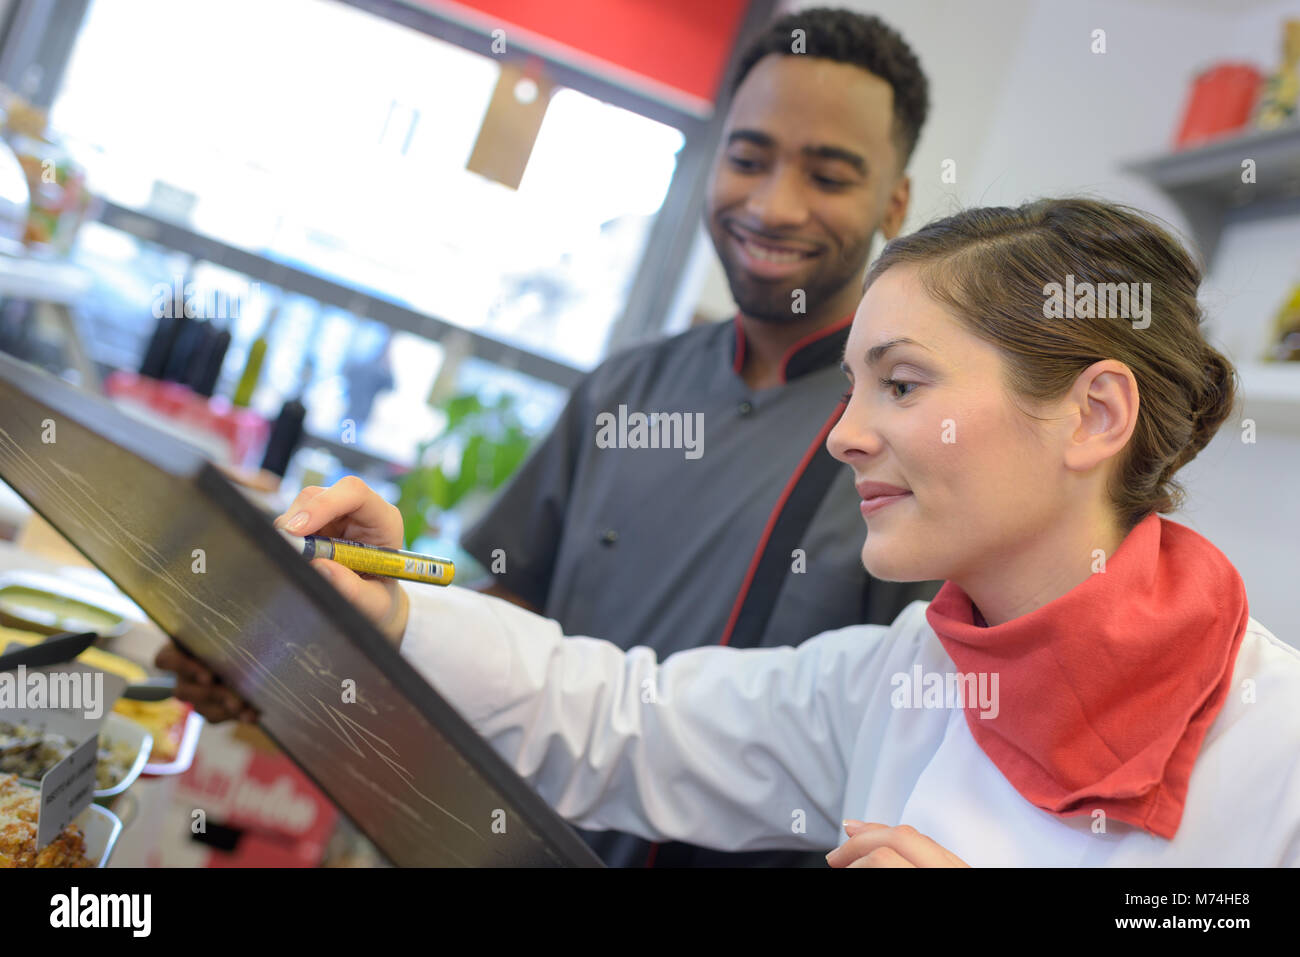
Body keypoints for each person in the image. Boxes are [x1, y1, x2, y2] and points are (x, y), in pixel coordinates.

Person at [162, 197, 1300, 865]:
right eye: (852, 389)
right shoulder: (905, 675)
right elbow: (621, 721)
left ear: (1093, 415)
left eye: (900, 385)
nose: (846, 436)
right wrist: (391, 609)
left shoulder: (1277, 748)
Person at [456, 7, 942, 868]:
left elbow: (920, 749)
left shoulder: (915, 446)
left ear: (894, 202)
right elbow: (506, 601)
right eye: (747, 158)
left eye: (828, 176)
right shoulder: (627, 387)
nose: (772, 205)